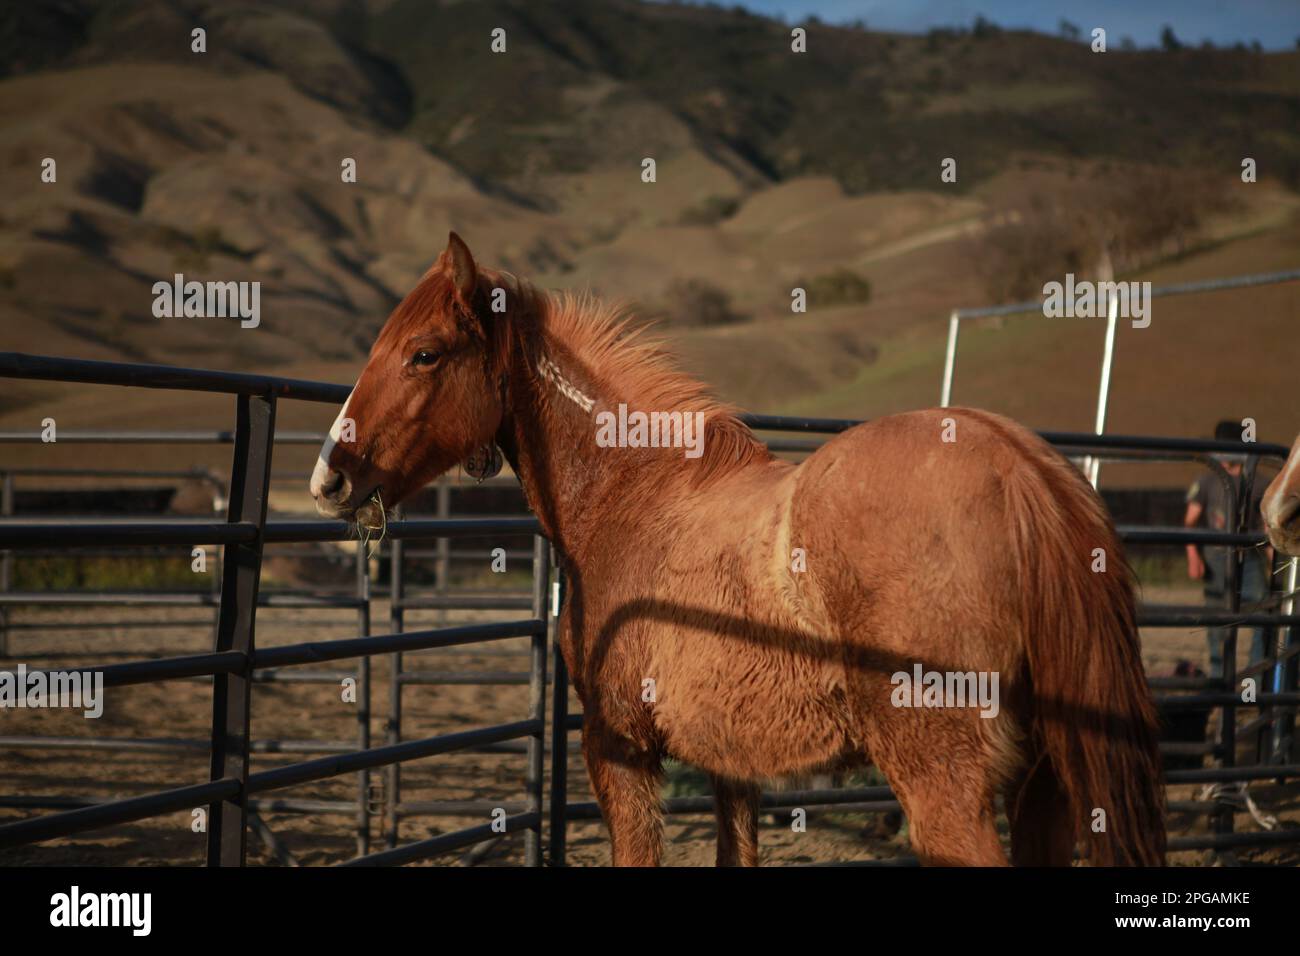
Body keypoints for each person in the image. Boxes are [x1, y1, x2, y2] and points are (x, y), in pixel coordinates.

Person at [1184, 420, 1274, 678]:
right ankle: (1218, 677)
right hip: (1216, 559)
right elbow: (1190, 521)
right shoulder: (1207, 481)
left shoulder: (1258, 482)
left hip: (1249, 559)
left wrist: (1271, 559)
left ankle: (1257, 673)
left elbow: (1264, 525)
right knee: (1216, 620)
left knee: (1263, 615)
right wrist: (1193, 555)